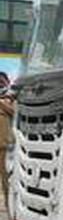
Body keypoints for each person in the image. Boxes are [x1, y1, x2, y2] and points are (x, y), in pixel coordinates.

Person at [0, 72, 14, 208]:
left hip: (5, 146)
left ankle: (11, 214)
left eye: (2, 81)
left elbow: (14, 112)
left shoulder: (12, 96)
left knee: (7, 181)